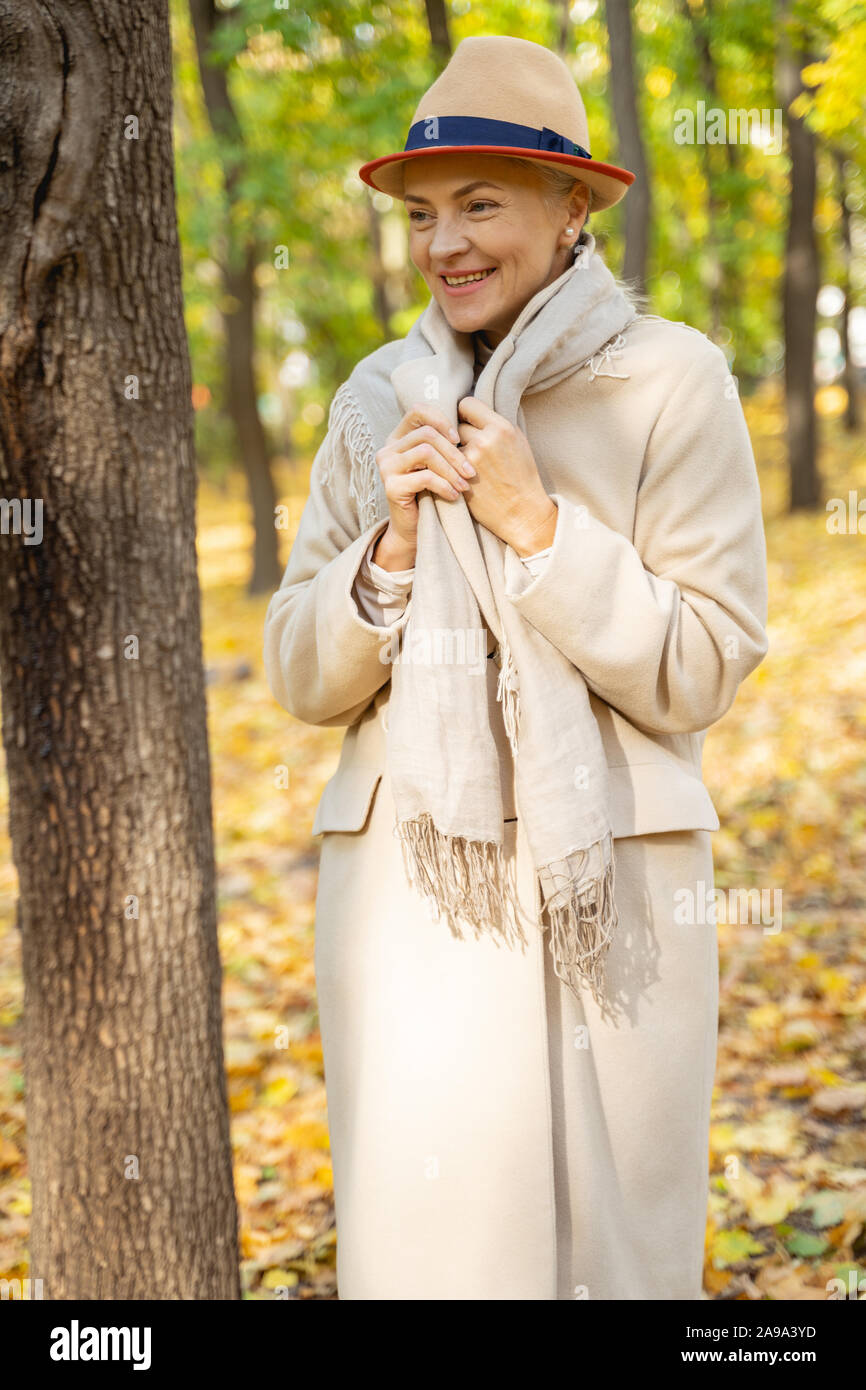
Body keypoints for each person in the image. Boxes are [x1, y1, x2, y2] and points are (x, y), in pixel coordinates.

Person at [263, 34, 769, 1300]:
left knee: (609, 1259)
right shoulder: (374, 399)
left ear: (571, 207)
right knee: (435, 1256)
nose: (444, 244)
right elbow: (299, 672)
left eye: (480, 205)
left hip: (610, 898)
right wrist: (386, 553)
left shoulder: (671, 380)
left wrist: (539, 529)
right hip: (414, 899)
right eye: (423, 214)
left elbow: (706, 659)